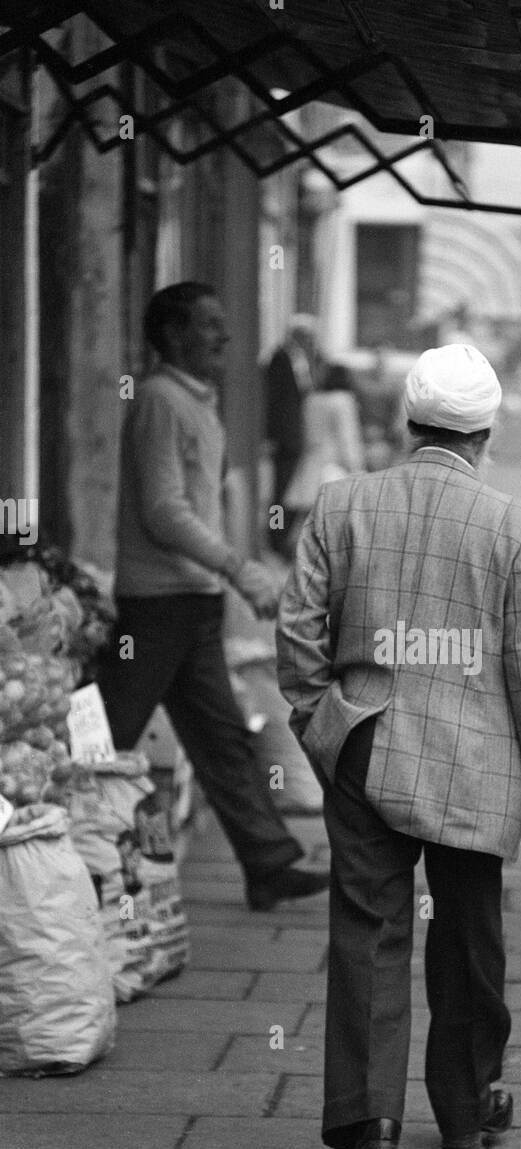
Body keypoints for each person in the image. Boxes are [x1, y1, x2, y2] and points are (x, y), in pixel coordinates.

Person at [276, 342, 521, 1149]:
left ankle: (371, 1126)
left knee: (369, 930)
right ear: (485, 433)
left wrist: (320, 724)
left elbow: (296, 630)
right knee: (468, 939)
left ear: (406, 424)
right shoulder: (518, 529)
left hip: (364, 743)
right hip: (473, 762)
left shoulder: (341, 504)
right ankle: (466, 1104)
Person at [99, 281, 329, 908]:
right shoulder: (159, 401)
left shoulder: (196, 401)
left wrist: (234, 574)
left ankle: (269, 861)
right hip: (157, 605)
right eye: (209, 325)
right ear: (173, 335)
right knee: (110, 735)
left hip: (192, 601)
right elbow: (163, 512)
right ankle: (57, 857)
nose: (224, 337)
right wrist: (239, 568)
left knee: (222, 738)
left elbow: (193, 507)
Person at [277, 362, 363, 558]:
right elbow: (347, 437)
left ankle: (287, 543)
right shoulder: (343, 400)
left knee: (301, 511)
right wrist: (357, 467)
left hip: (310, 459)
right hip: (334, 464)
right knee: (333, 515)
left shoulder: (312, 399)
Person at [263, 316, 317, 556]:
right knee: (281, 491)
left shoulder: (301, 360)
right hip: (284, 437)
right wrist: (271, 435)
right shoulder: (281, 358)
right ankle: (275, 534)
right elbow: (274, 399)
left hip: (296, 435)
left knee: (290, 491)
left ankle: (282, 534)